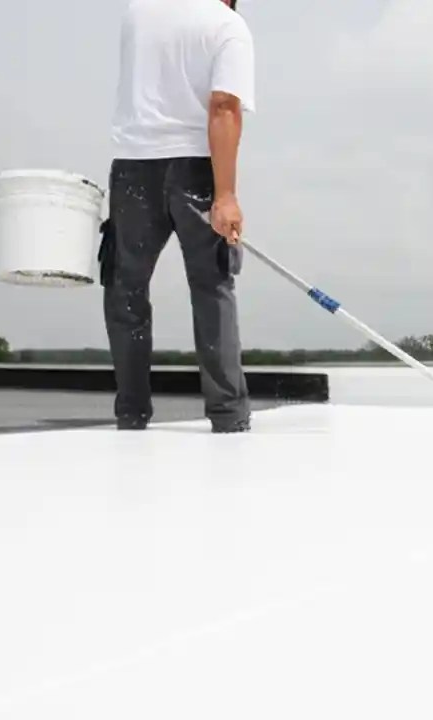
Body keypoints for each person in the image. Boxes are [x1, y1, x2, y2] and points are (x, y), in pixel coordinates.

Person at [99, 0, 256, 433]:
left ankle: (130, 413)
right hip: (195, 166)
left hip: (132, 166)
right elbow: (224, 106)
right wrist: (225, 196)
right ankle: (227, 413)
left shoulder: (137, 12)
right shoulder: (227, 26)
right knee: (212, 288)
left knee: (125, 289)